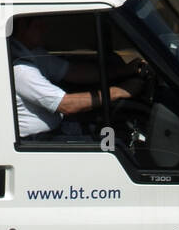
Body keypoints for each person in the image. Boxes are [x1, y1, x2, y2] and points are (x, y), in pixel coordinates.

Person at [9, 14, 146, 139]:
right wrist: (118, 92)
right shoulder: (21, 69)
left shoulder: (32, 52)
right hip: (37, 141)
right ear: (22, 26)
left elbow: (74, 72)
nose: (44, 29)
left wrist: (123, 70)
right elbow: (66, 105)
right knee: (112, 144)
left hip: (57, 128)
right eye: (38, 25)